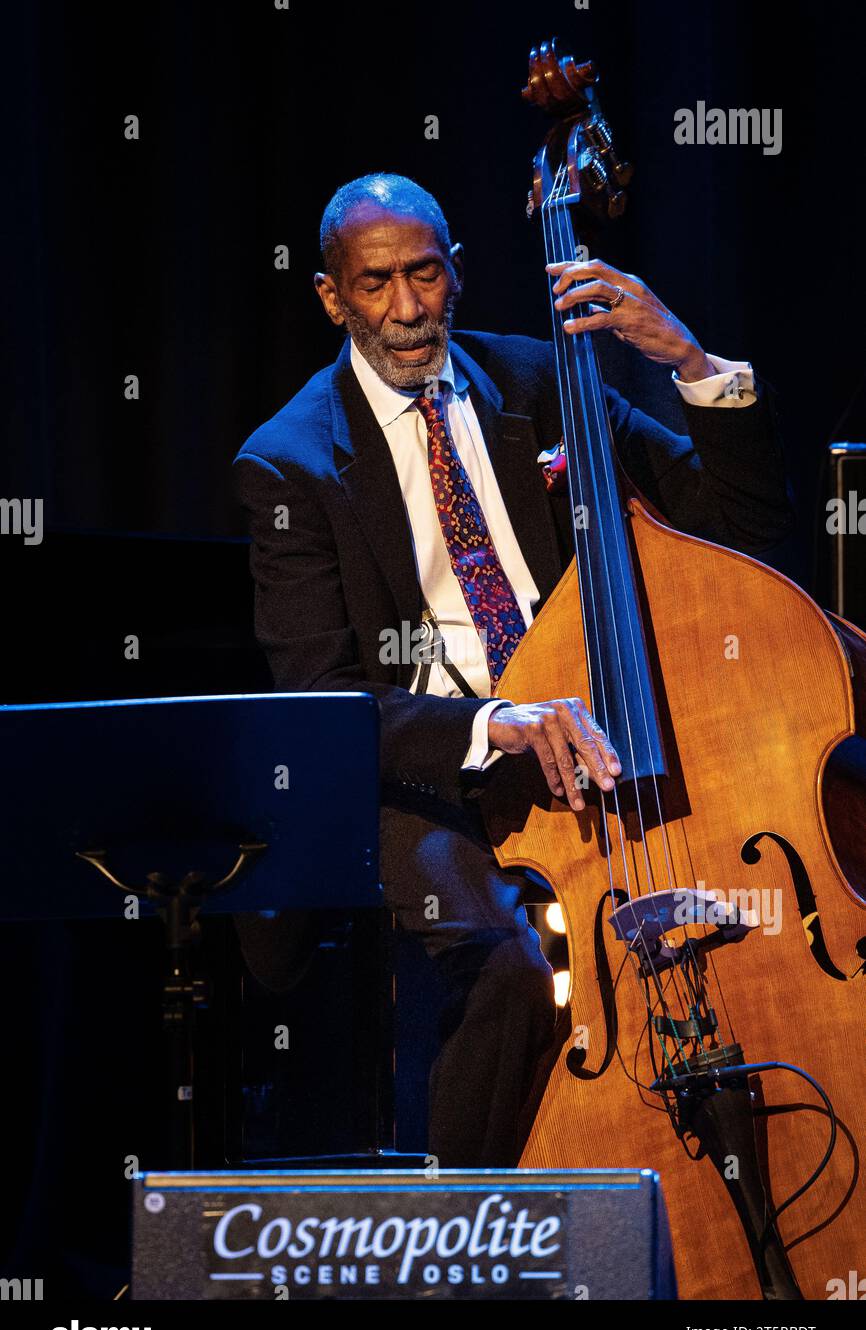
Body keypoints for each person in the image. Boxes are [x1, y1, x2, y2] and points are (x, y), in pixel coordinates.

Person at [232, 173, 792, 1167]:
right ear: (331, 297)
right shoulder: (288, 462)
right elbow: (321, 700)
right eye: (374, 286)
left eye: (423, 275)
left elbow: (741, 530)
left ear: (457, 274)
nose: (406, 309)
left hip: (599, 743)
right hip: (432, 777)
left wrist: (691, 363)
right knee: (512, 970)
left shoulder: (539, 385)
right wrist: (497, 723)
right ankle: (465, 1248)